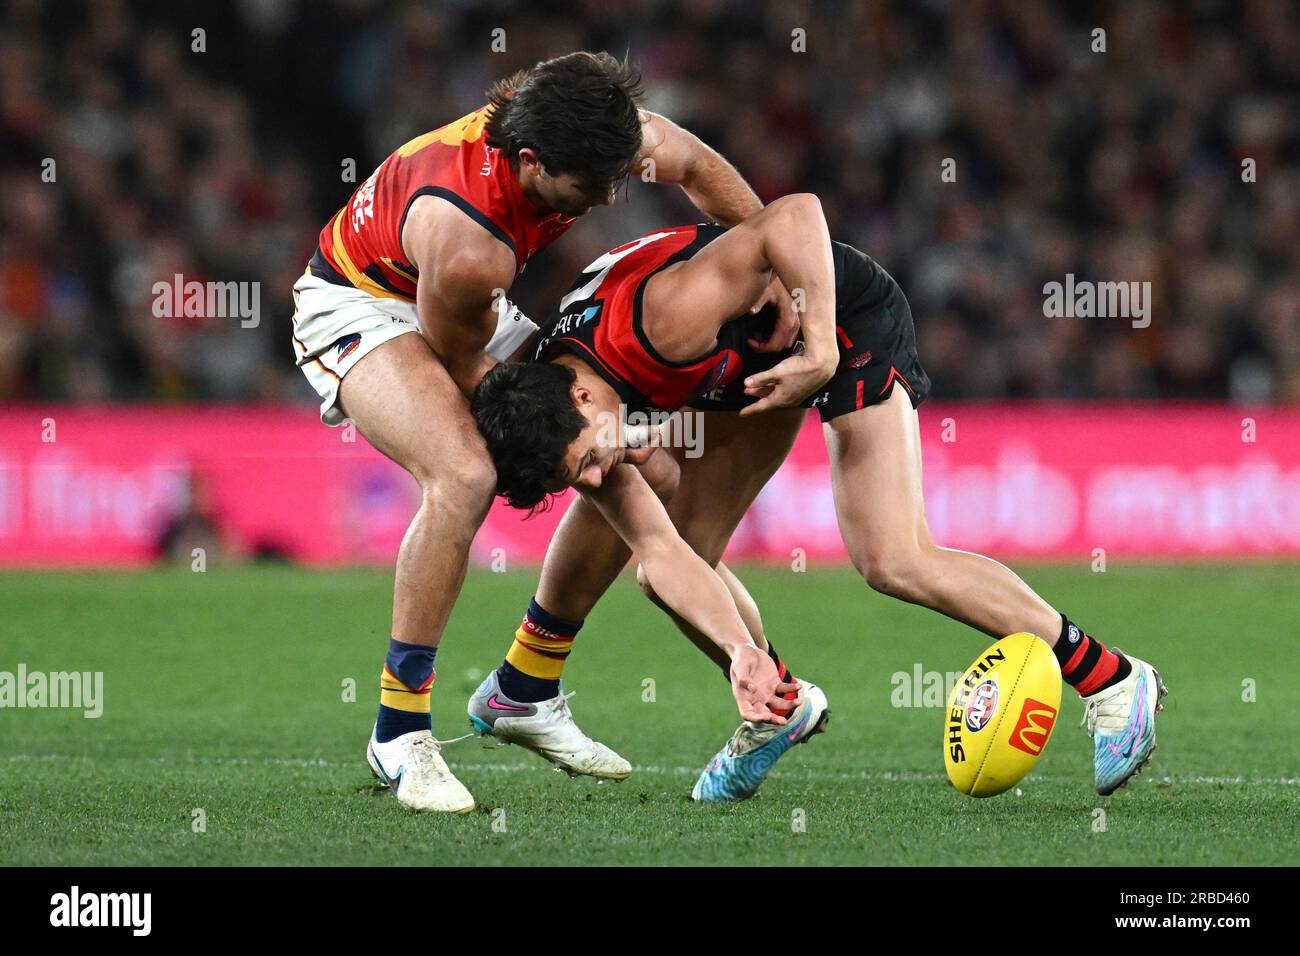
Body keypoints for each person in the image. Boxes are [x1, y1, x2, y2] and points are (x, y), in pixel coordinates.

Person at [471, 196, 1169, 802]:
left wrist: (819, 347)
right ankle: (779, 705)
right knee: (674, 569)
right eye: (581, 477)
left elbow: (796, 213)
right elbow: (661, 548)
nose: (596, 481)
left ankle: (1111, 680)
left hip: (838, 322)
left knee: (892, 558)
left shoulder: (666, 320)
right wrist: (743, 652)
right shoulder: (568, 397)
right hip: (745, 364)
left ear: (584, 396)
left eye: (589, 463)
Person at [290, 52, 804, 813]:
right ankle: (398, 729)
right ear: (530, 161)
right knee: (466, 474)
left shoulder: (591, 134)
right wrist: (573, 445)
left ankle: (526, 686)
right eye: (589, 185)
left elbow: (696, 166)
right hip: (364, 305)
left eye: (617, 176)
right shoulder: (471, 248)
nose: (605, 195)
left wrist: (777, 274)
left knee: (648, 469)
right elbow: (470, 371)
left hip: (468, 309)